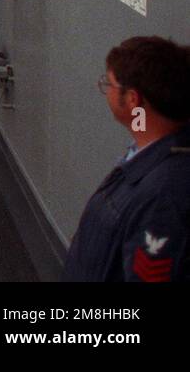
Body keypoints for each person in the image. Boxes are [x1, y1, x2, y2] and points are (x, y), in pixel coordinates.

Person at [63, 37, 190, 282]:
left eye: (108, 84)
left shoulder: (164, 194)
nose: (105, 90)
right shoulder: (150, 160)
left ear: (133, 100)